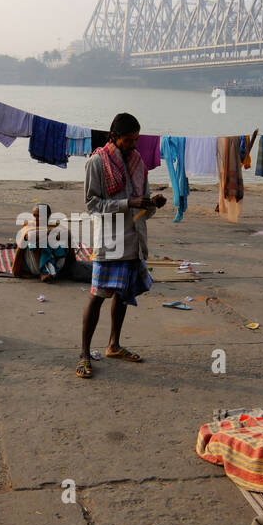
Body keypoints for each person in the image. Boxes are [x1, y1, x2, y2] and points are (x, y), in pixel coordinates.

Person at [78, 112, 166, 379]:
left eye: (136, 139)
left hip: (133, 238)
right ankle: (84, 353)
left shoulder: (139, 163)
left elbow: (143, 202)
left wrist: (152, 204)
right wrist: (129, 203)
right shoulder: (96, 162)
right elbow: (92, 205)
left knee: (122, 294)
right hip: (109, 240)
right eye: (129, 140)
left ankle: (113, 345)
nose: (134, 145)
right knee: (98, 295)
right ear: (114, 138)